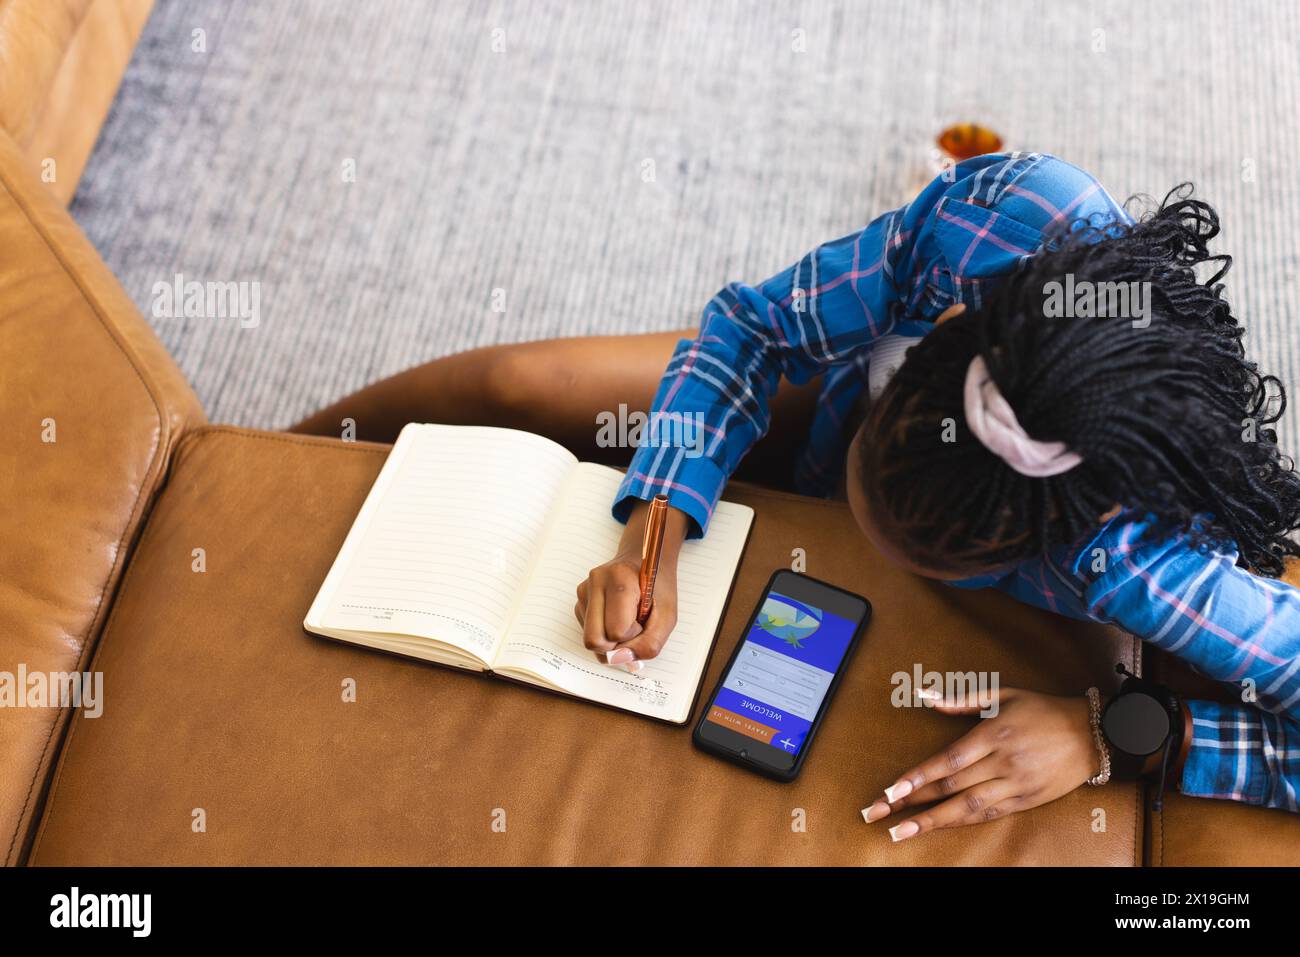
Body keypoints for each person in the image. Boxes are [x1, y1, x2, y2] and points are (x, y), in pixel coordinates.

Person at [294, 152, 1300, 832]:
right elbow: (751, 329)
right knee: (513, 390)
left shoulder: (1143, 560)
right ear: (940, 334)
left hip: (980, 628)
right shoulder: (997, 216)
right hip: (815, 407)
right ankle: (255, 449)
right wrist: (657, 518)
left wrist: (1115, 735)